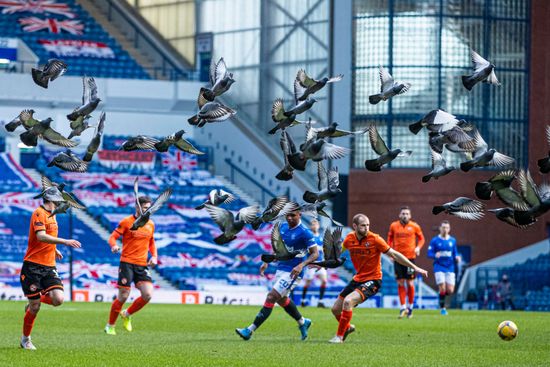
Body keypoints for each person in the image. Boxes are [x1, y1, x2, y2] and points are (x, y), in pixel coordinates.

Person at [328, 214, 428, 343]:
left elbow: (395, 254)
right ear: (355, 226)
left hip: (373, 279)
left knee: (348, 302)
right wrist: (324, 263)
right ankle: (347, 327)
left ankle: (339, 337)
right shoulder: (349, 239)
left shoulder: (375, 239)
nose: (367, 228)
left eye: (368, 225)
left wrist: (415, 267)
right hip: (358, 279)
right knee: (335, 309)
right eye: (363, 225)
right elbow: (337, 253)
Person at [235, 208, 318, 341]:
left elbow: (315, 253)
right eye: (287, 215)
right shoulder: (283, 227)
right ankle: (303, 322)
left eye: (293, 215)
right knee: (282, 299)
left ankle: (249, 330)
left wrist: (301, 265)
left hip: (293, 272)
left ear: (299, 215)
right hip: (281, 268)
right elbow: (278, 249)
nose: (289, 218)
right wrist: (267, 261)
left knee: (271, 296)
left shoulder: (305, 233)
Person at [20, 187, 82, 350]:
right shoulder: (39, 213)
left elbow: (47, 238)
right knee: (35, 307)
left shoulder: (53, 216)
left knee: (58, 299)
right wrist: (65, 242)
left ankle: (34, 299)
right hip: (33, 266)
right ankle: (25, 339)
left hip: (49, 266)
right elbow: (40, 236)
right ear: (53, 199)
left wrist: (54, 249)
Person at [104, 195, 158, 335]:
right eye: (145, 208)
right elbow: (112, 237)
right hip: (127, 262)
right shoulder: (126, 222)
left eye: (149, 208)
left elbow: (151, 242)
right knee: (123, 296)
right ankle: (110, 325)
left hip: (142, 264)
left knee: (147, 295)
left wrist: (154, 256)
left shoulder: (150, 224)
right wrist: (114, 246)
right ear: (137, 207)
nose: (147, 211)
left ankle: (127, 314)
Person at [387, 206, 425, 318]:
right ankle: (403, 307)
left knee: (410, 283)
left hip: (410, 258)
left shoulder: (415, 226)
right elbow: (389, 239)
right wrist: (389, 252)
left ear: (410, 215)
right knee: (400, 282)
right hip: (398, 258)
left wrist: (418, 248)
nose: (405, 215)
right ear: (399, 215)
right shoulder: (393, 225)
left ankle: (411, 307)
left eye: (407, 213)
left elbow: (422, 239)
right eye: (403, 213)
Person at [427, 220, 460, 315]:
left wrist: (457, 257)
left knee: (450, 290)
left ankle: (441, 296)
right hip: (439, 266)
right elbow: (429, 253)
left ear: (449, 229)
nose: (445, 229)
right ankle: (443, 308)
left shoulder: (452, 240)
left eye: (446, 227)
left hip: (450, 267)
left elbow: (455, 253)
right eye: (443, 227)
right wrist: (434, 255)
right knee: (442, 288)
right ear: (440, 228)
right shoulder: (435, 240)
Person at [300, 219, 328, 308]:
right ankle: (303, 300)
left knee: (324, 281)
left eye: (315, 224)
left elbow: (324, 251)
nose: (314, 226)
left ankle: (320, 301)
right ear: (310, 226)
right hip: (312, 264)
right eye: (312, 224)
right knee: (308, 283)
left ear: (318, 226)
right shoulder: (309, 237)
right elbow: (307, 249)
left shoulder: (321, 238)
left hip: (320, 263)